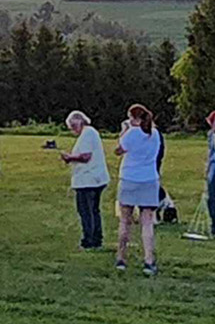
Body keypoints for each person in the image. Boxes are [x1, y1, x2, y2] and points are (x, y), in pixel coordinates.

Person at [112, 105, 162, 277]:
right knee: (147, 223)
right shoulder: (155, 134)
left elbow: (118, 150)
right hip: (149, 179)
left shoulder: (132, 134)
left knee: (125, 221)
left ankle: (121, 257)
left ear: (133, 118)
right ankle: (149, 260)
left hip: (129, 179)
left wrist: (124, 131)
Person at [57, 110, 109, 251]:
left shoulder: (87, 134)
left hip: (88, 179)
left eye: (73, 127)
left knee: (86, 211)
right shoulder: (91, 133)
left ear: (79, 122)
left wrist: (69, 157)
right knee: (94, 210)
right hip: (96, 178)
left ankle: (89, 240)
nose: (74, 130)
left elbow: (86, 157)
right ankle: (97, 239)